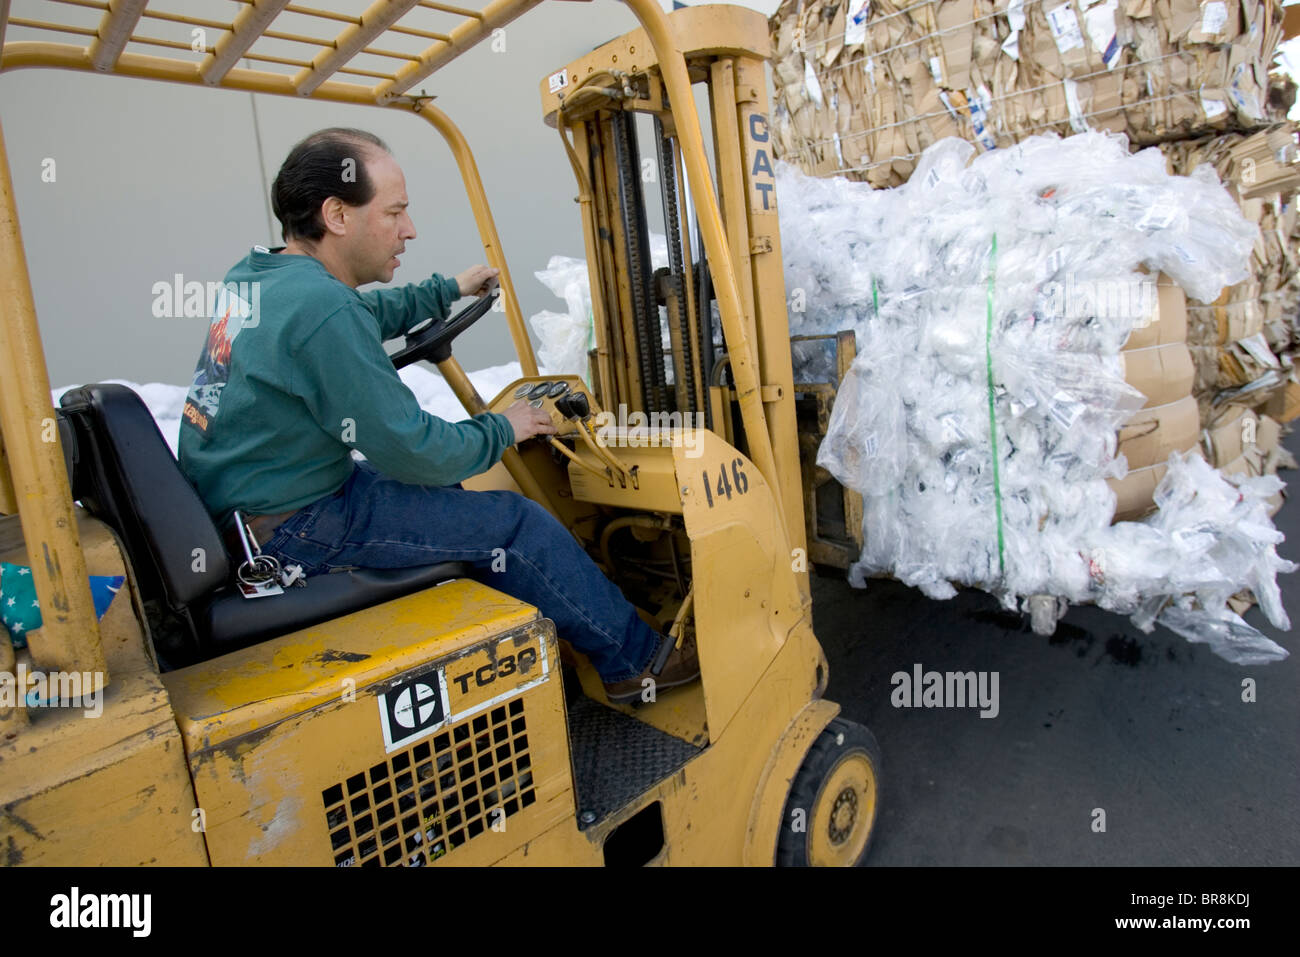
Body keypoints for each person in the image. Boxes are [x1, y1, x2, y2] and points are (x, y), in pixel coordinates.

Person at [177, 127, 697, 703]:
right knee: (516, 524)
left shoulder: (262, 276)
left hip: (255, 509)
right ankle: (637, 663)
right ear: (337, 215)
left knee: (453, 489)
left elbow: (356, 311)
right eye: (395, 212)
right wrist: (508, 426)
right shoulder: (321, 312)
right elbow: (414, 448)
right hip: (295, 532)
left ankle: (525, 644)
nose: (410, 229)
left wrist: (443, 291)